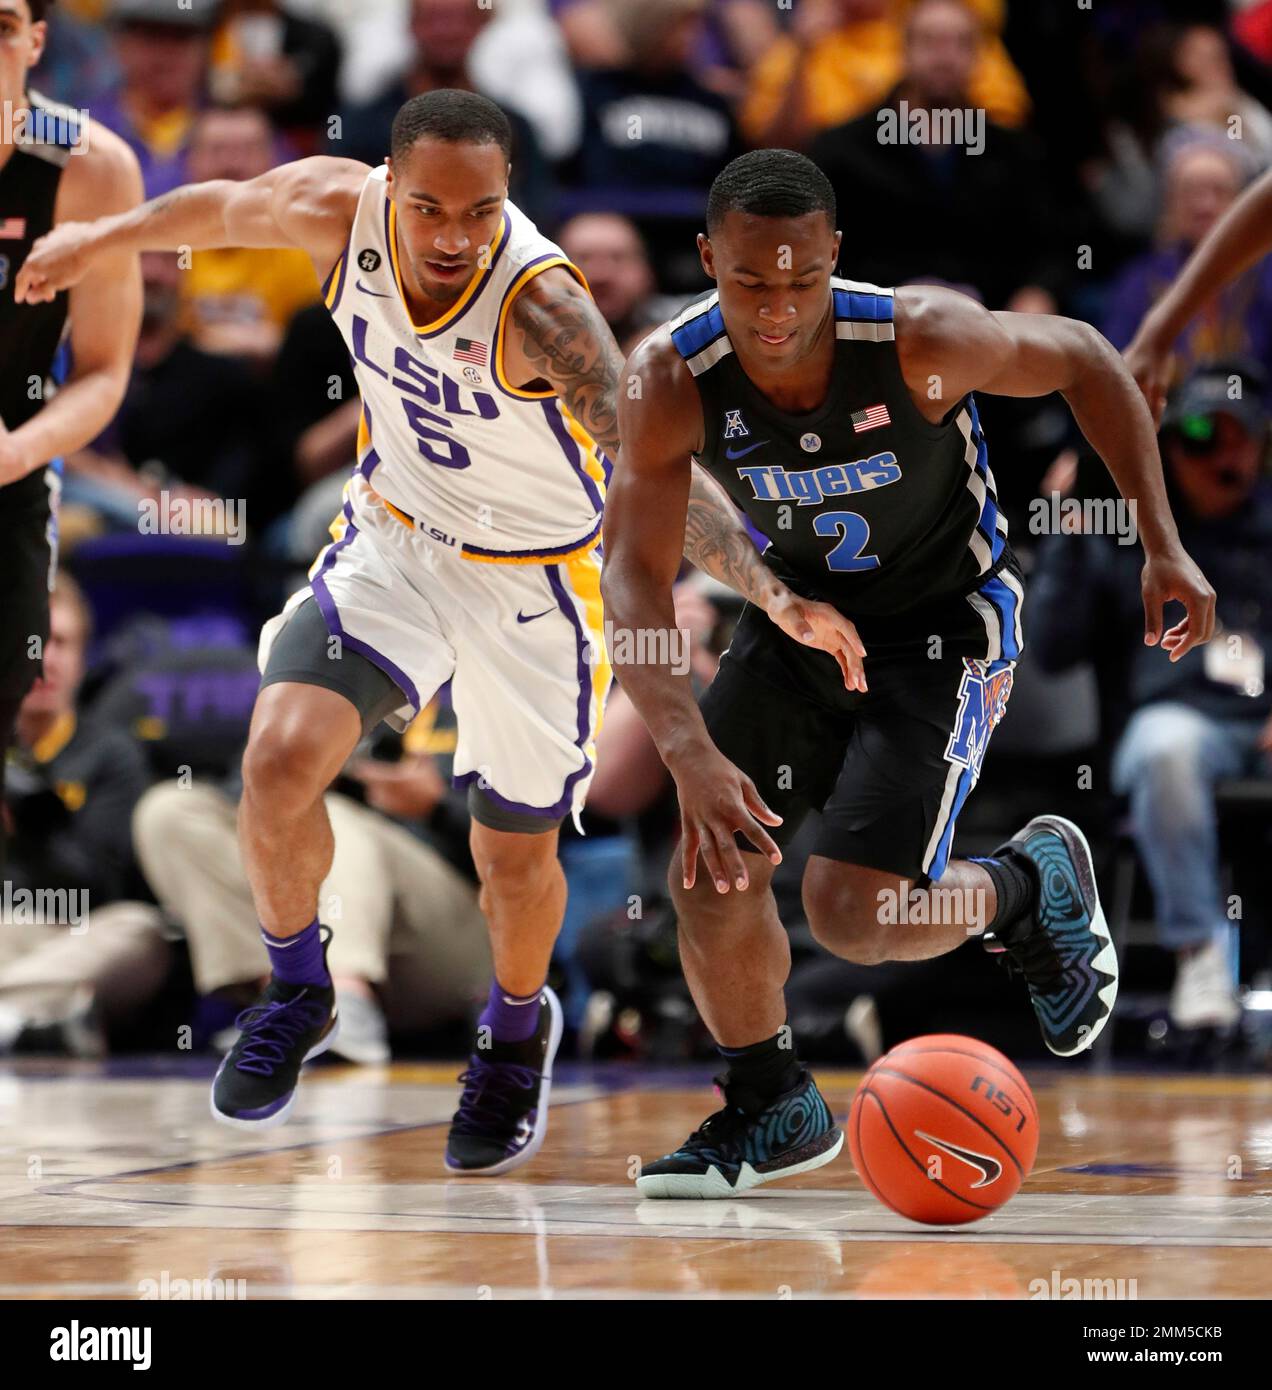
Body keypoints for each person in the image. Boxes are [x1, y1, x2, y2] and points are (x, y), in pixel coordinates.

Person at [19, 88, 771, 1175]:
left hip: (536, 584)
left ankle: (516, 1029)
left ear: (509, 197)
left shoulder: (543, 310)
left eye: (482, 212)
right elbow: (221, 208)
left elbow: (653, 461)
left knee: (512, 857)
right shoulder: (336, 208)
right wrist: (102, 234)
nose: (457, 237)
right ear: (389, 186)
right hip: (399, 541)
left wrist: (774, 589)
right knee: (274, 762)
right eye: (431, 210)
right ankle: (298, 984)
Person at [601, 148, 1215, 1198]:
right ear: (707, 259)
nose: (779, 309)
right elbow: (633, 577)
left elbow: (1086, 358)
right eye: (750, 282)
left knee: (853, 915)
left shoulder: (922, 335)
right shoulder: (669, 377)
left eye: (801, 282)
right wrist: (688, 752)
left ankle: (1024, 884)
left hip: (947, 625)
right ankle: (771, 1104)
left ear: (835, 256)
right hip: (804, 621)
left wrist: (1161, 542)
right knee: (710, 867)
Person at [1030, 360, 1272, 1030]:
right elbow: (1050, 648)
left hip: (1264, 724)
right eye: (1199, 435)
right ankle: (1199, 955)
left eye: (1237, 436)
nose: (1221, 455)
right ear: (1166, 446)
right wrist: (1065, 530)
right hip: (1178, 727)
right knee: (1169, 747)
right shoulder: (1125, 529)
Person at [0, 0, 143, 859]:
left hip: (12, 468)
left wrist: (16, 451)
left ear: (35, 41)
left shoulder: (89, 168)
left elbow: (103, 371)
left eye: (1, 22)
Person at [0, 573, 168, 1055]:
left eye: (61, 643)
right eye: (29, 640)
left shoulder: (112, 753)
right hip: (11, 932)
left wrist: (33, 820)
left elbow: (102, 886)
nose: (44, 659)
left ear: (80, 659)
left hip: (82, 934)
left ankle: (16, 1015)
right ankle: (19, 1021)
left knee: (141, 931)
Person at [1127, 163, 1272, 421]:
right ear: (1170, 204)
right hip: (1172, 437)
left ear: (1241, 200)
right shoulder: (1139, 278)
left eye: (1219, 191)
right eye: (1191, 192)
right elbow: (1118, 370)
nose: (1205, 205)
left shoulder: (1265, 275)